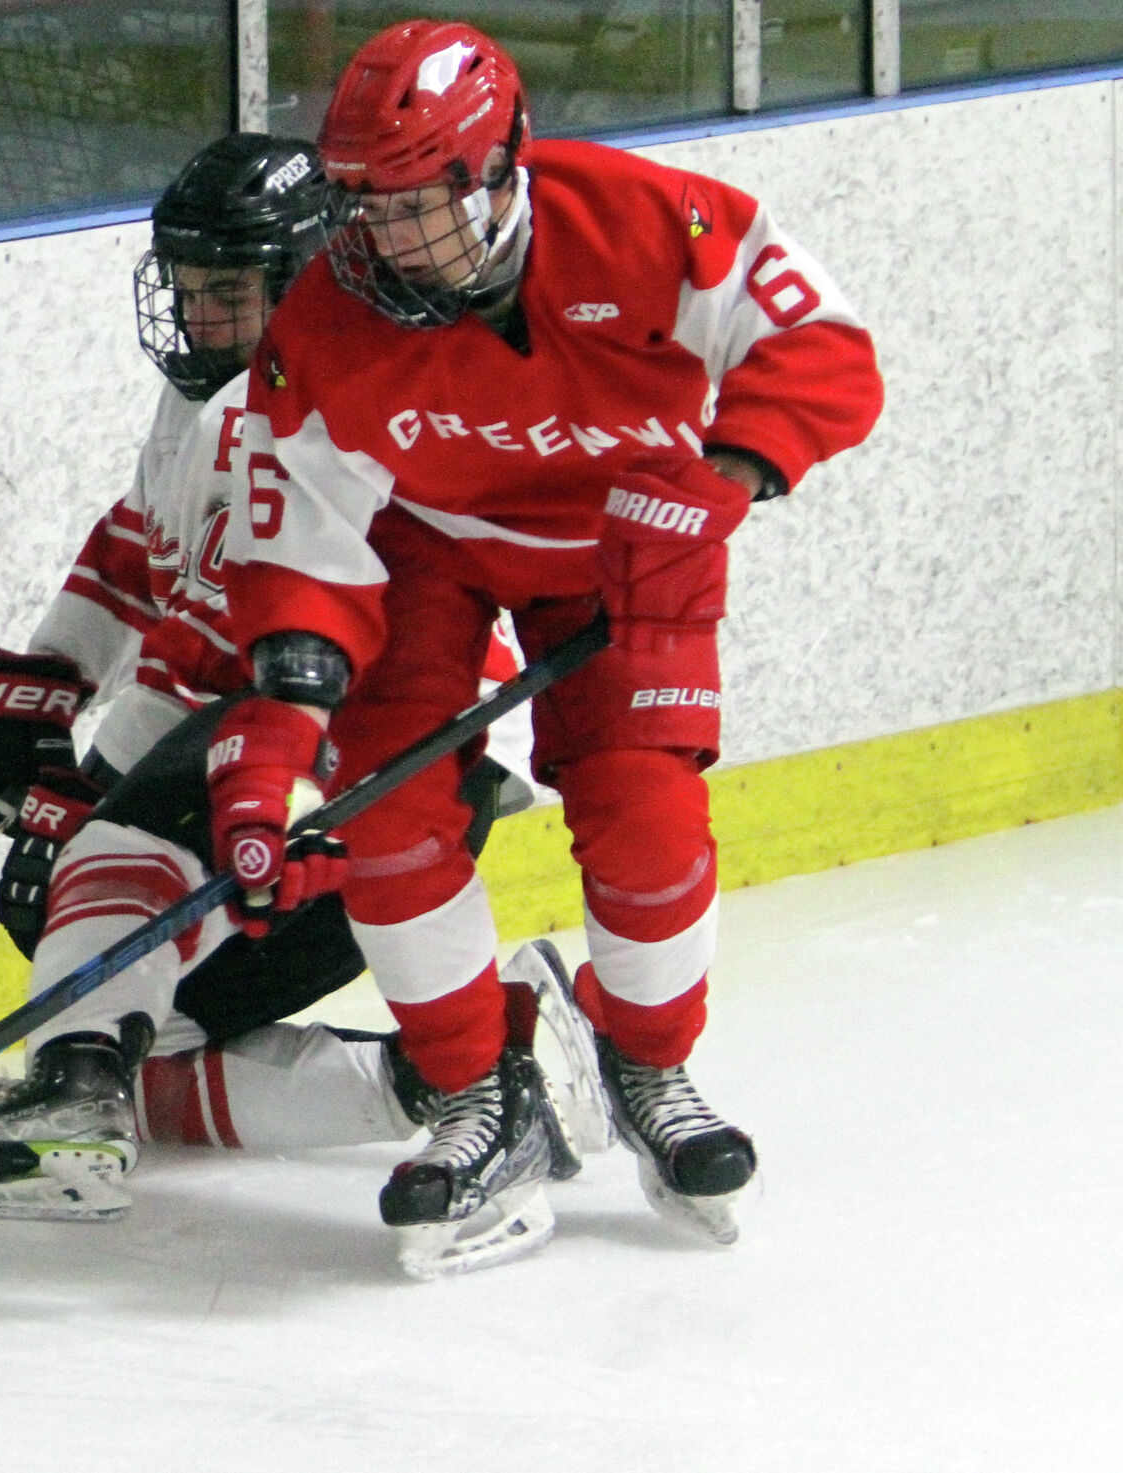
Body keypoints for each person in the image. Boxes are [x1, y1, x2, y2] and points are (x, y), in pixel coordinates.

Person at [213, 21, 883, 1275]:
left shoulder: (655, 221)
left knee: (646, 823)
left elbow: (823, 351)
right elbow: (295, 544)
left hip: (634, 538)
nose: (379, 238)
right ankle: (479, 1095)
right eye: (360, 206)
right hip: (429, 551)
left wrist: (724, 475)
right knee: (390, 819)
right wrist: (276, 741)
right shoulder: (325, 320)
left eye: (413, 207)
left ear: (498, 168)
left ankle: (645, 1065)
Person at [0, 133, 573, 1223]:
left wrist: (98, 784)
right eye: (188, 291)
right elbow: (145, 548)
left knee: (111, 865)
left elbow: (225, 641)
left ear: (303, 280)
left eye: (229, 294)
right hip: (303, 750)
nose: (199, 320)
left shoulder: (299, 402)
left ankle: (72, 1093)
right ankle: (480, 1068)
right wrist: (48, 683)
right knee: (142, 1029)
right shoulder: (214, 394)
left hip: (371, 766)